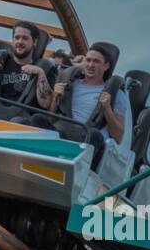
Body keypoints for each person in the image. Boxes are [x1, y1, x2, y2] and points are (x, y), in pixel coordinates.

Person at [39, 41, 130, 173]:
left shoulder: (116, 95)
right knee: (38, 119)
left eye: (96, 61)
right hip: (63, 134)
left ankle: (72, 170)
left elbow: (118, 136)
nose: (90, 65)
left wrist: (107, 108)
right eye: (88, 60)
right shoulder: (69, 83)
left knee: (94, 135)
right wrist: (56, 97)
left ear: (106, 66)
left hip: (87, 139)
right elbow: (51, 117)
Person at [0, 21, 56, 117]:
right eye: (17, 38)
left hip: (21, 123)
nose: (20, 42)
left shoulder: (43, 68)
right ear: (12, 41)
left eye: (25, 38)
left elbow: (46, 104)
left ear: (34, 42)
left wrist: (41, 74)